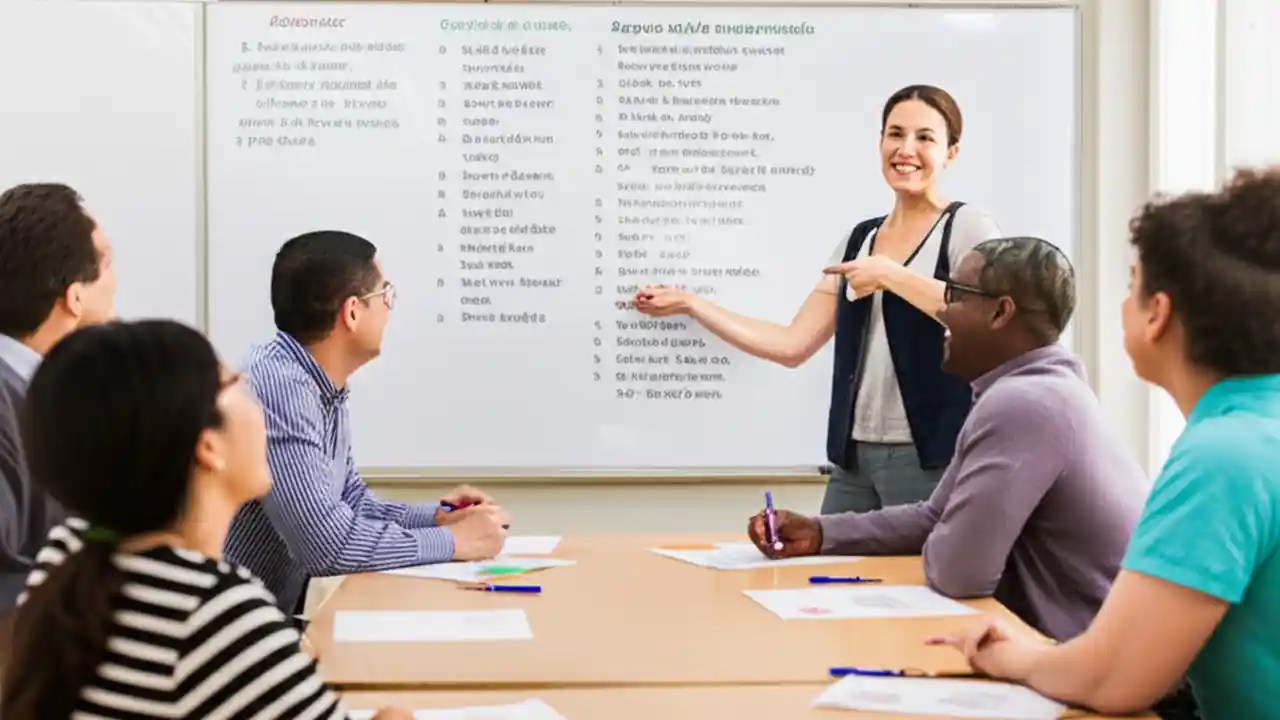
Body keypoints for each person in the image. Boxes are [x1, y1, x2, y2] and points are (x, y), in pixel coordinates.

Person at [931, 168, 1280, 719]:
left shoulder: (1224, 457)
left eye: (1131, 284)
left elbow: (1115, 679)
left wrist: (1011, 656)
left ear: (1157, 314)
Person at [747, 237, 1147, 643]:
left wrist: (956, 533)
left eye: (955, 294)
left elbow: (960, 571)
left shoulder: (1025, 405)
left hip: (1095, 671)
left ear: (1000, 312)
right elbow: (935, 517)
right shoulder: (1036, 391)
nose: (941, 309)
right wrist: (821, 533)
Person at [3, 320, 410, 718]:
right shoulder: (217, 614)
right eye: (236, 385)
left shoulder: (71, 550)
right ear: (208, 447)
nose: (261, 408)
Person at [635, 85, 1002, 514]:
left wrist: (889, 275)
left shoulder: (967, 224)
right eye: (895, 134)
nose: (906, 149)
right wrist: (691, 304)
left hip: (929, 457)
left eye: (925, 138)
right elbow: (792, 345)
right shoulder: (860, 238)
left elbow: (989, 317)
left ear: (951, 152)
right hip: (854, 458)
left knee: (916, 580)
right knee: (830, 580)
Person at [225, 230, 509, 615]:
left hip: (263, 620)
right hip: (231, 634)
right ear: (353, 311)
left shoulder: (315, 381)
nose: (390, 308)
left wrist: (439, 517)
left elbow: (349, 501)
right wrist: (455, 541)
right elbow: (325, 544)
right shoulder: (282, 387)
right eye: (385, 295)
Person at [0, 182, 116, 664]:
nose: (114, 280)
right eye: (107, 263)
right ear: (73, 296)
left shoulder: (41, 394)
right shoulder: (6, 402)